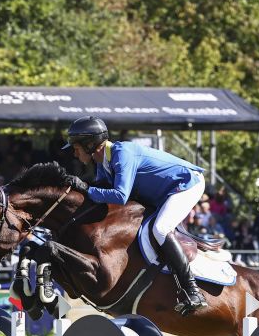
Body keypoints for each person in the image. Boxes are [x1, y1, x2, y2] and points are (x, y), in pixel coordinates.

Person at [62, 116, 207, 315]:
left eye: (76, 148)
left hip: (185, 184)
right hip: (161, 193)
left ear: (89, 144)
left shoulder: (122, 154)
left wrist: (86, 189)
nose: (74, 153)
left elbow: (120, 196)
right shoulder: (103, 163)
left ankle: (192, 291)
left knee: (160, 229)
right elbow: (100, 191)